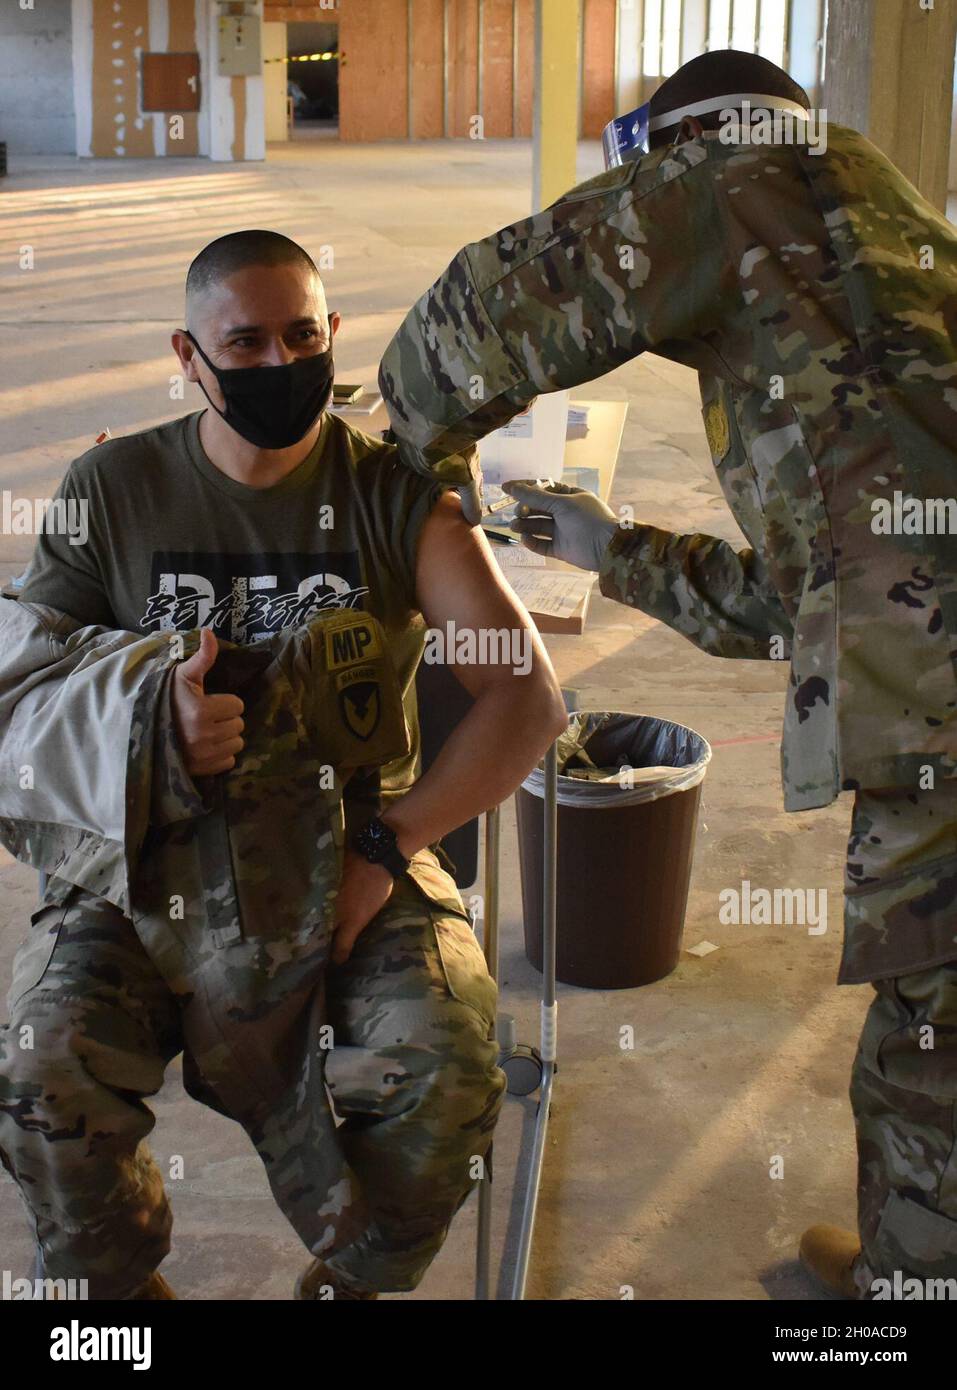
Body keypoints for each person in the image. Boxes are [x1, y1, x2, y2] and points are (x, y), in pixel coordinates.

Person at [378, 50, 957, 1298]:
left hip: (938, 711)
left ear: (674, 136)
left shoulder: (725, 175)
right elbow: (824, 598)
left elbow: (474, 317)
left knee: (931, 1039)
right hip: (922, 661)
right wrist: (611, 548)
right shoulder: (889, 218)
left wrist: (401, 478)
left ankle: (909, 1300)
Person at [0, 230, 567, 1300]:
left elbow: (525, 694)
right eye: (244, 341)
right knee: (40, 1066)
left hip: (345, 845)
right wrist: (148, 719)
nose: (278, 365)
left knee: (448, 1073)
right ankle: (122, 1299)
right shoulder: (111, 488)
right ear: (188, 352)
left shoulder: (395, 494)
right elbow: (23, 693)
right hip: (145, 858)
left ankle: (348, 1285)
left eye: (302, 335)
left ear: (334, 335)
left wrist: (386, 843)